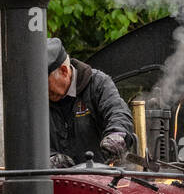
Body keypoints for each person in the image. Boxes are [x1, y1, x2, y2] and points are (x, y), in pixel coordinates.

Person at [47, 37, 136, 167]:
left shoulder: (98, 84)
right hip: (57, 183)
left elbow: (118, 112)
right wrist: (49, 158)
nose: (41, 91)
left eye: (46, 83)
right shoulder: (35, 100)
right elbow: (27, 142)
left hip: (102, 179)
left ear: (64, 71)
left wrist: (116, 136)